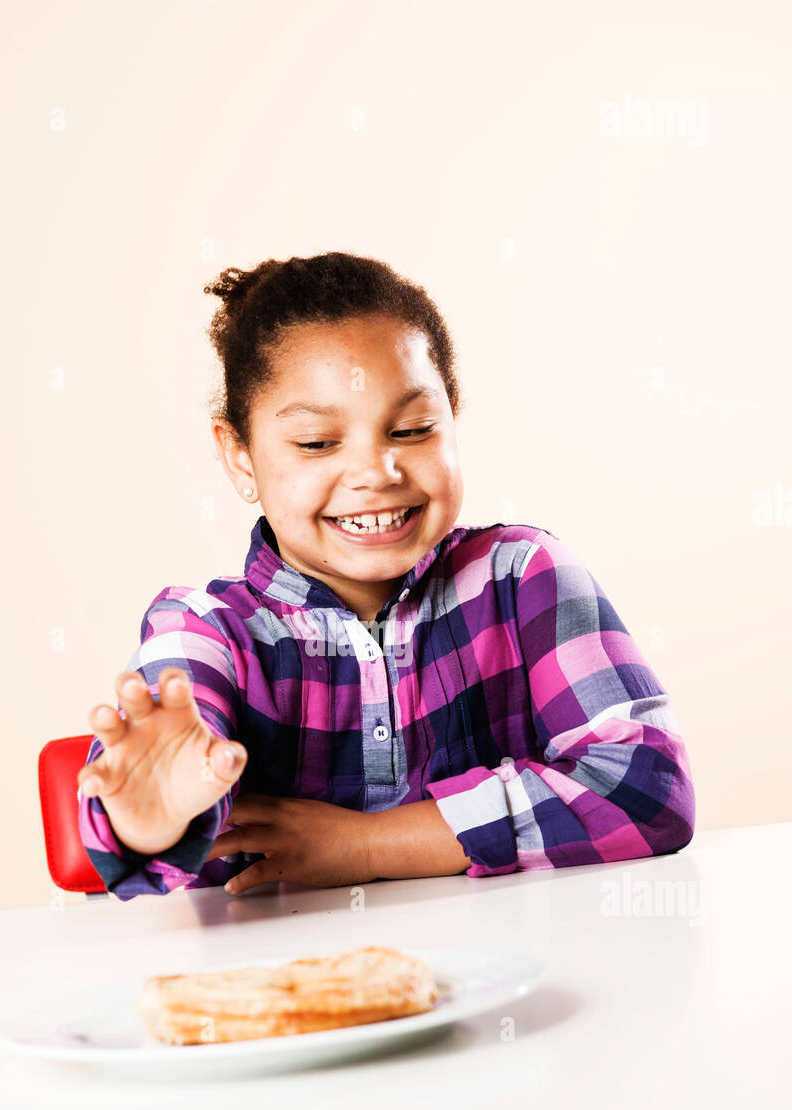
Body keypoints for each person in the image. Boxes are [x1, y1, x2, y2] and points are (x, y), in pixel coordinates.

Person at [77, 251, 695, 901]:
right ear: (240, 458)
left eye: (411, 429)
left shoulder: (521, 577)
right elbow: (146, 789)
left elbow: (648, 787)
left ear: (452, 417)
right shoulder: (204, 631)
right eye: (317, 443)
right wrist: (151, 817)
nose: (376, 472)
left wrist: (370, 845)